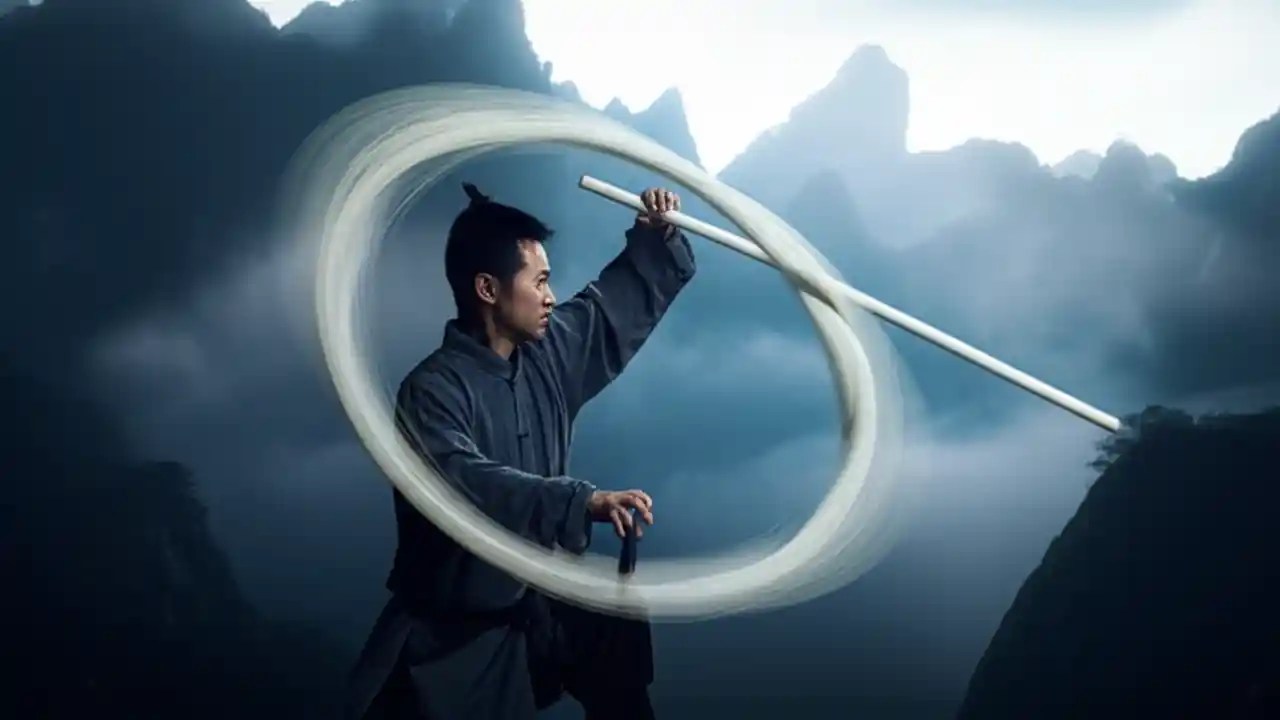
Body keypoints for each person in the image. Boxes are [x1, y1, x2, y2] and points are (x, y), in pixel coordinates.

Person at [346, 181, 696, 720]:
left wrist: (656, 235)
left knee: (609, 621)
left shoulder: (547, 355)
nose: (552, 296)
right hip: (446, 644)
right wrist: (580, 503)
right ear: (488, 289)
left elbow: (607, 310)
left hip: (531, 614)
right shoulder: (431, 393)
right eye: (540, 281)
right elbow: (470, 484)